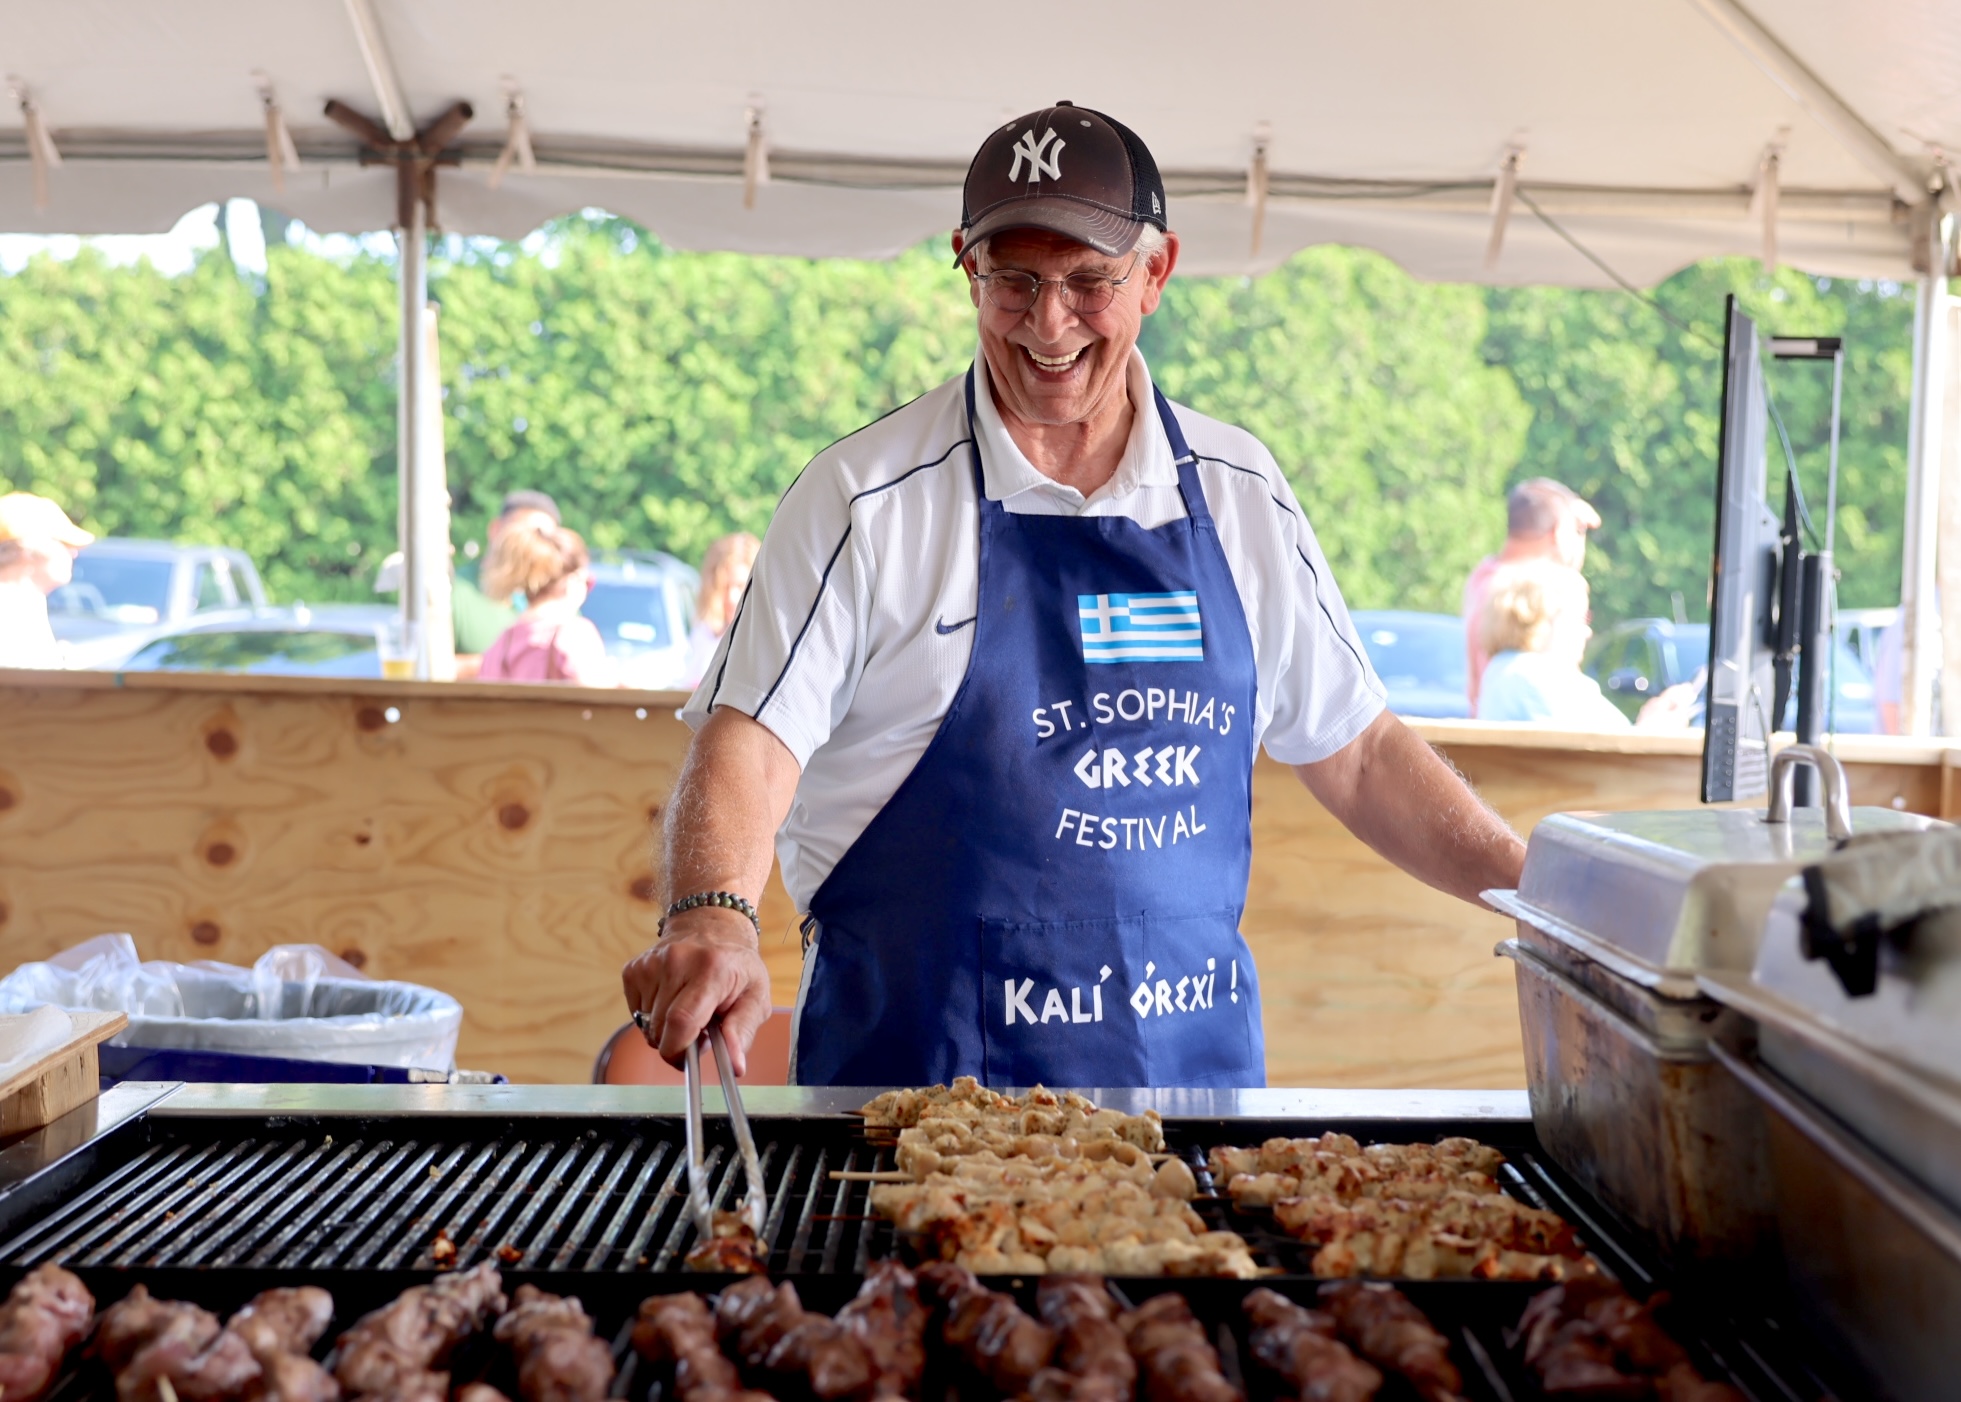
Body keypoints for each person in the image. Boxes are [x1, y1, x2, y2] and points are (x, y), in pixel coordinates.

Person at [622, 102, 1526, 1088]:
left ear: (1156, 273)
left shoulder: (1239, 490)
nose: (1049, 322)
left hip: (1186, 1132)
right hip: (907, 1123)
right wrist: (713, 916)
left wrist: (1542, 898)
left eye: (1088, 281)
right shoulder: (863, 500)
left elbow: (1358, 753)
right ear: (967, 269)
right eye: (1014, 279)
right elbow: (749, 742)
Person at [1476, 561, 1691, 729]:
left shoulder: (1505, 671)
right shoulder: (1531, 677)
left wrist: (1649, 723)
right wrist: (1651, 730)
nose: (1588, 632)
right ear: (1544, 617)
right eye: (1582, 619)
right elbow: (1596, 759)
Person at [1463, 479, 1602, 712]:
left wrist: (1561, 505)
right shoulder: (1537, 595)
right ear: (1558, 533)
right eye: (1578, 530)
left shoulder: (1483, 579)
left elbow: (1531, 495)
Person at [476, 520, 613, 686]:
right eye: (587, 581)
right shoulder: (576, 634)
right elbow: (600, 700)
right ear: (573, 581)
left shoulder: (501, 645)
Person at [453, 490, 562, 680]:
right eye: (523, 533)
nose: (532, 544)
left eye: (545, 538)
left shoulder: (557, 595)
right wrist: (506, 661)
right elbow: (428, 667)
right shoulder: (455, 591)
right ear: (495, 530)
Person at [0, 492, 93, 670]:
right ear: (24, 548)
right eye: (63, 543)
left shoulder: (25, 604)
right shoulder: (9, 610)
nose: (73, 553)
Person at [684, 532, 761, 689]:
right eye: (724, 587)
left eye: (740, 586)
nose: (732, 597)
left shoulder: (760, 641)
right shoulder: (703, 633)